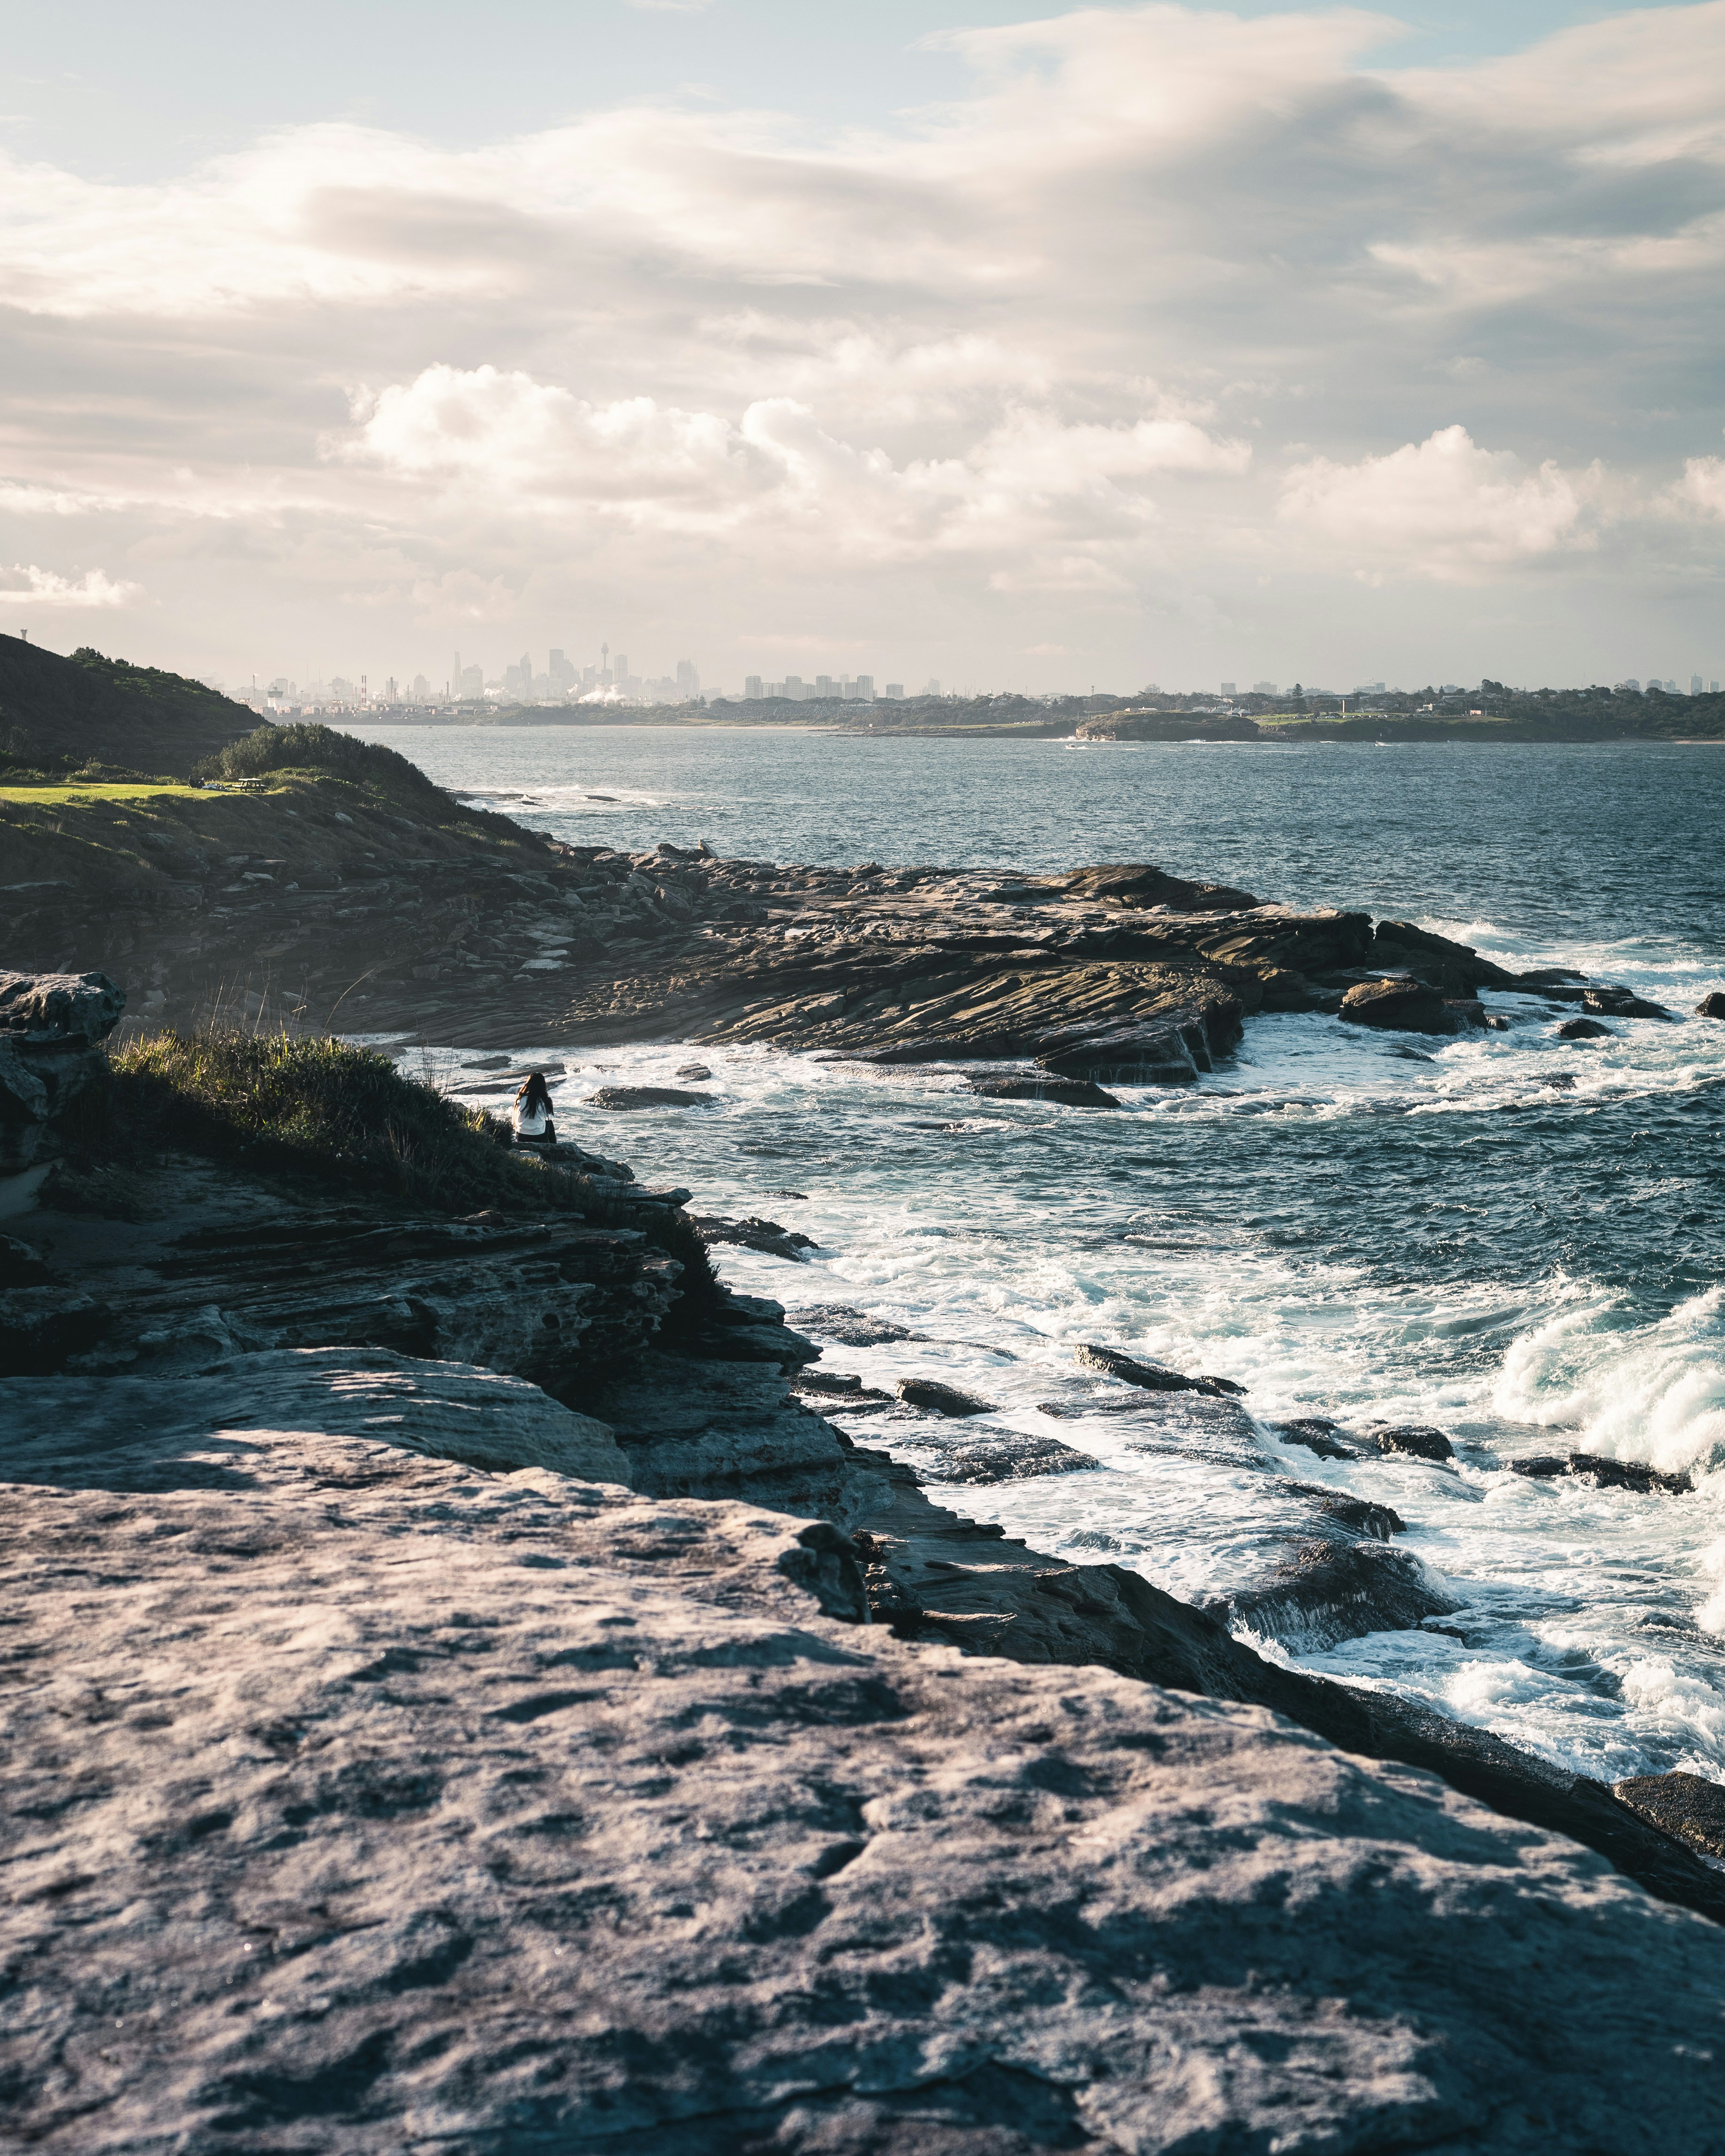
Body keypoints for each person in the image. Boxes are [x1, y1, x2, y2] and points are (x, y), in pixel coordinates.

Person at [511, 1070, 557, 1148]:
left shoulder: (521, 1099)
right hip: (538, 1137)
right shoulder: (545, 1100)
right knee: (549, 1121)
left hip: (521, 1136)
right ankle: (554, 1146)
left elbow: (514, 1121)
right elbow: (549, 1118)